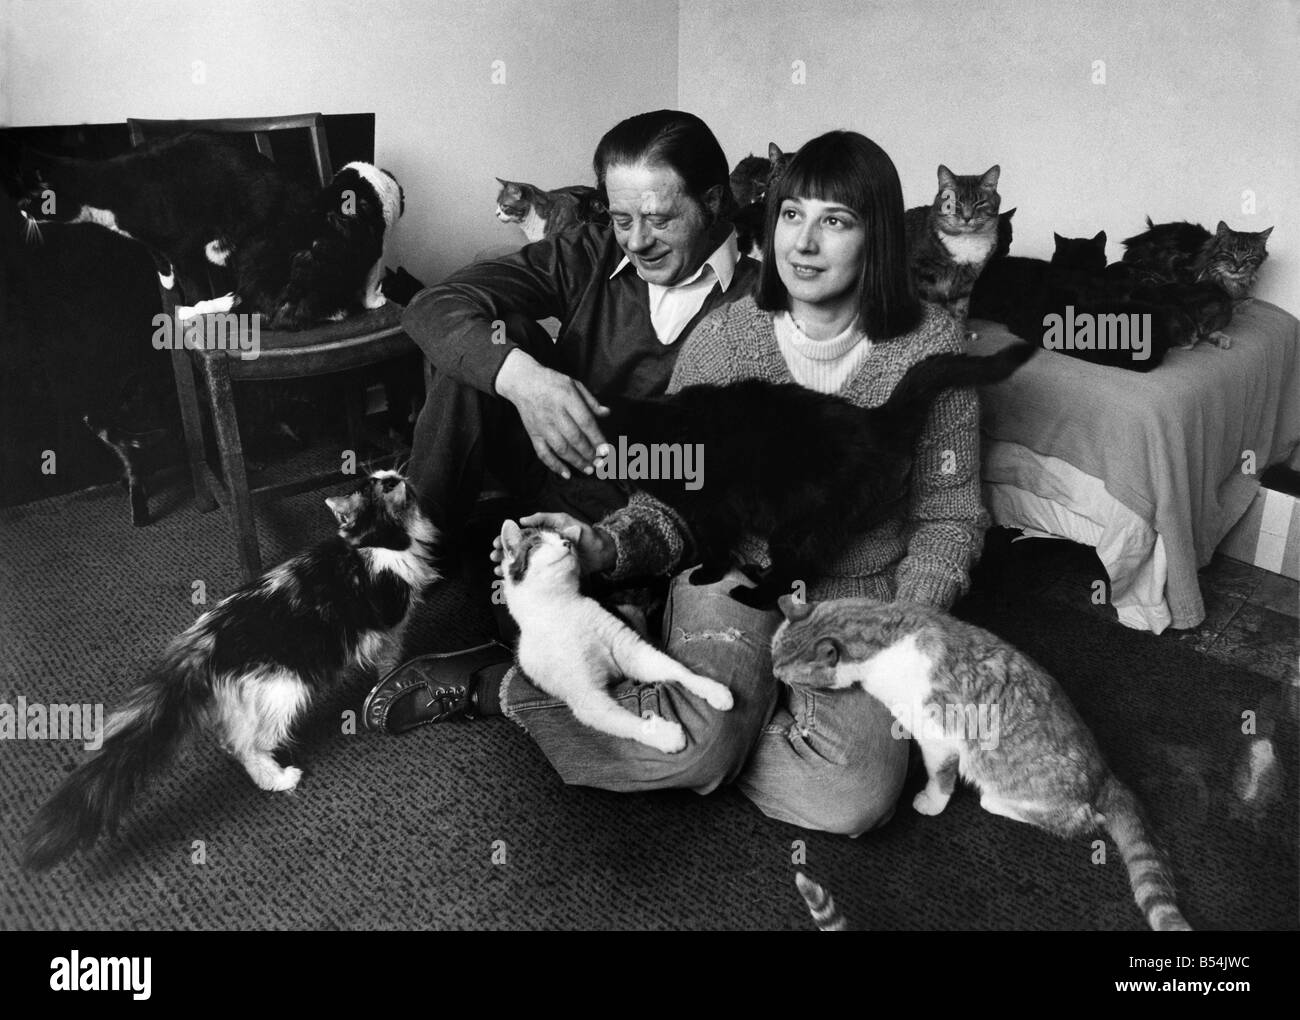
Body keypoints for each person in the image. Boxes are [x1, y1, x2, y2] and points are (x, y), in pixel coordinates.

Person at [378, 128, 992, 836]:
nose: (804, 243)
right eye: (792, 215)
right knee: (697, 746)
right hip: (733, 573)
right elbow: (672, 504)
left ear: (879, 235)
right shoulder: (728, 337)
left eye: (836, 221)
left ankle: (704, 724)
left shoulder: (933, 347)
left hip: (858, 592)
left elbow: (951, 517)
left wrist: (905, 627)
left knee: (848, 798)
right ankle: (507, 688)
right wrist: (604, 549)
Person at [363, 110, 760, 733]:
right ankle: (406, 564)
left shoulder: (762, 294)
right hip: (550, 473)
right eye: (622, 218)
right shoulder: (593, 250)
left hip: (652, 514)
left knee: (660, 672)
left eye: (659, 219)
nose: (635, 240)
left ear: (714, 202)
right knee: (499, 341)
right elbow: (433, 307)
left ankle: (504, 664)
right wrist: (524, 379)